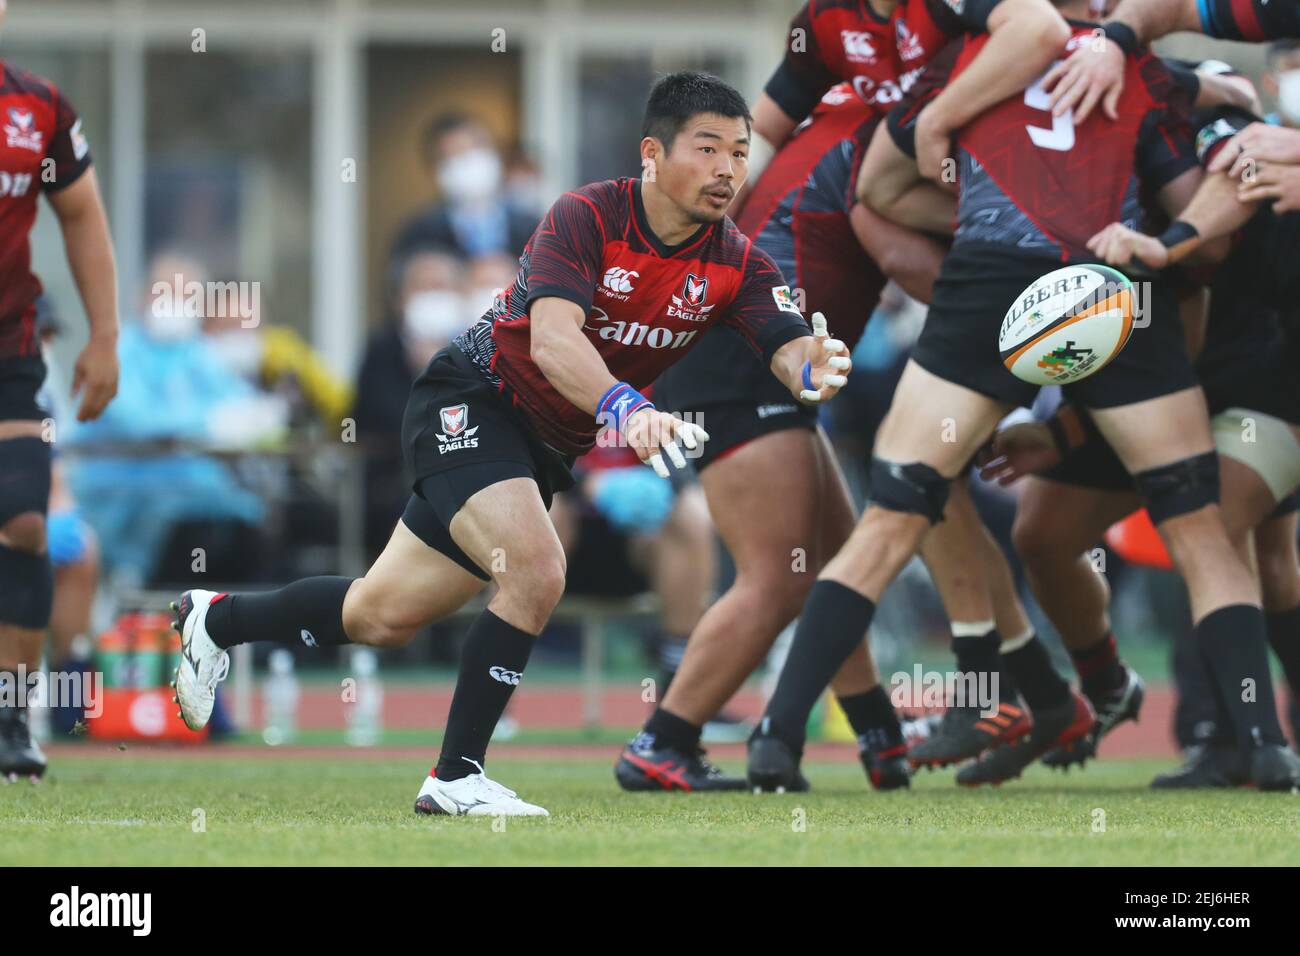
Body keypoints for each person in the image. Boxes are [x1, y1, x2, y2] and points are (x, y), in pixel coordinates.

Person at [170, 72, 851, 817]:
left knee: (380, 614)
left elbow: (789, 349)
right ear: (652, 154)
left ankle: (215, 620)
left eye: (740, 153)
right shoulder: (587, 215)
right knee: (535, 569)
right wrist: (627, 407)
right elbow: (557, 341)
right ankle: (456, 777)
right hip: (471, 399)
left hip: (543, 449)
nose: (727, 169)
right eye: (708, 147)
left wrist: (817, 368)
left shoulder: (737, 261)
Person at [748, 0, 1300, 792]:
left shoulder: (967, 62)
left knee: (892, 516)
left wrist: (975, 194)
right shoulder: (1143, 72)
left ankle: (775, 741)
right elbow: (1201, 212)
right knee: (1200, 531)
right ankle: (1262, 743)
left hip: (985, 290)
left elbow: (879, 193)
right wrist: (1159, 234)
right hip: (1116, 290)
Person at [616, 78, 1036, 795]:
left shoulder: (854, 120)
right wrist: (1022, 309)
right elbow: (910, 256)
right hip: (746, 357)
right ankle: (664, 740)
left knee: (836, 564)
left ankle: (876, 732)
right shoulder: (884, 135)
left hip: (767, 359)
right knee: (779, 577)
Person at [0, 0, 120, 781]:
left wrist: (104, 336)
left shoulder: (36, 106)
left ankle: (11, 716)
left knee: (25, 522)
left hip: (7, 349)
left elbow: (79, 212)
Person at [390, 114, 540, 262]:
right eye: (456, 155)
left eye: (478, 149)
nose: (471, 163)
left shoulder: (532, 227)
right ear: (436, 170)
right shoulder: (420, 234)